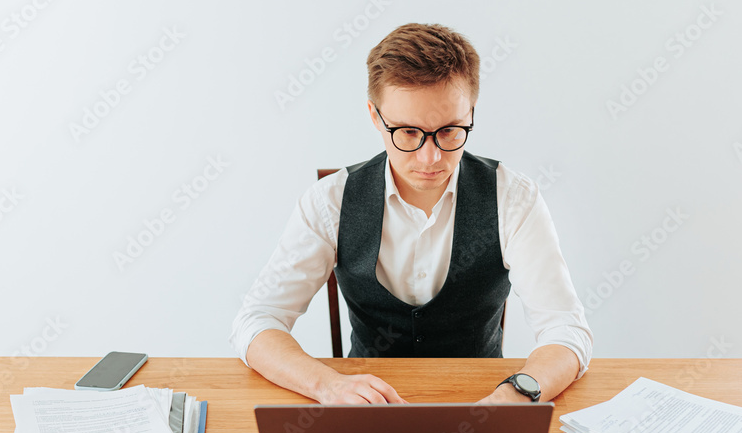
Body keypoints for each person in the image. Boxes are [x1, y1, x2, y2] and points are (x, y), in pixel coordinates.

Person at [230, 23, 592, 405]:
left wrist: (516, 396)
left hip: (482, 404)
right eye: (407, 133)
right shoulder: (329, 201)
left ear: (471, 112)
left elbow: (566, 330)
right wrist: (327, 384)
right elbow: (257, 320)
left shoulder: (513, 198)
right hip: (363, 413)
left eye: (450, 130)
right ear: (375, 116)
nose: (430, 158)